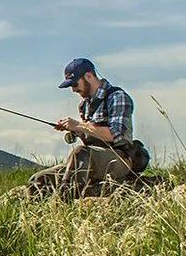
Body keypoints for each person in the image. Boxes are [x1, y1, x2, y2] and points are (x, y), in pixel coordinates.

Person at [48, 57, 143, 197]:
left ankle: (64, 204)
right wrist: (73, 131)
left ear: (89, 76)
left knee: (81, 153)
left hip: (120, 158)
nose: (73, 90)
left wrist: (79, 126)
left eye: (75, 84)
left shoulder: (117, 97)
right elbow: (87, 134)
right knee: (40, 179)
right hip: (91, 160)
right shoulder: (83, 105)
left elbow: (115, 134)